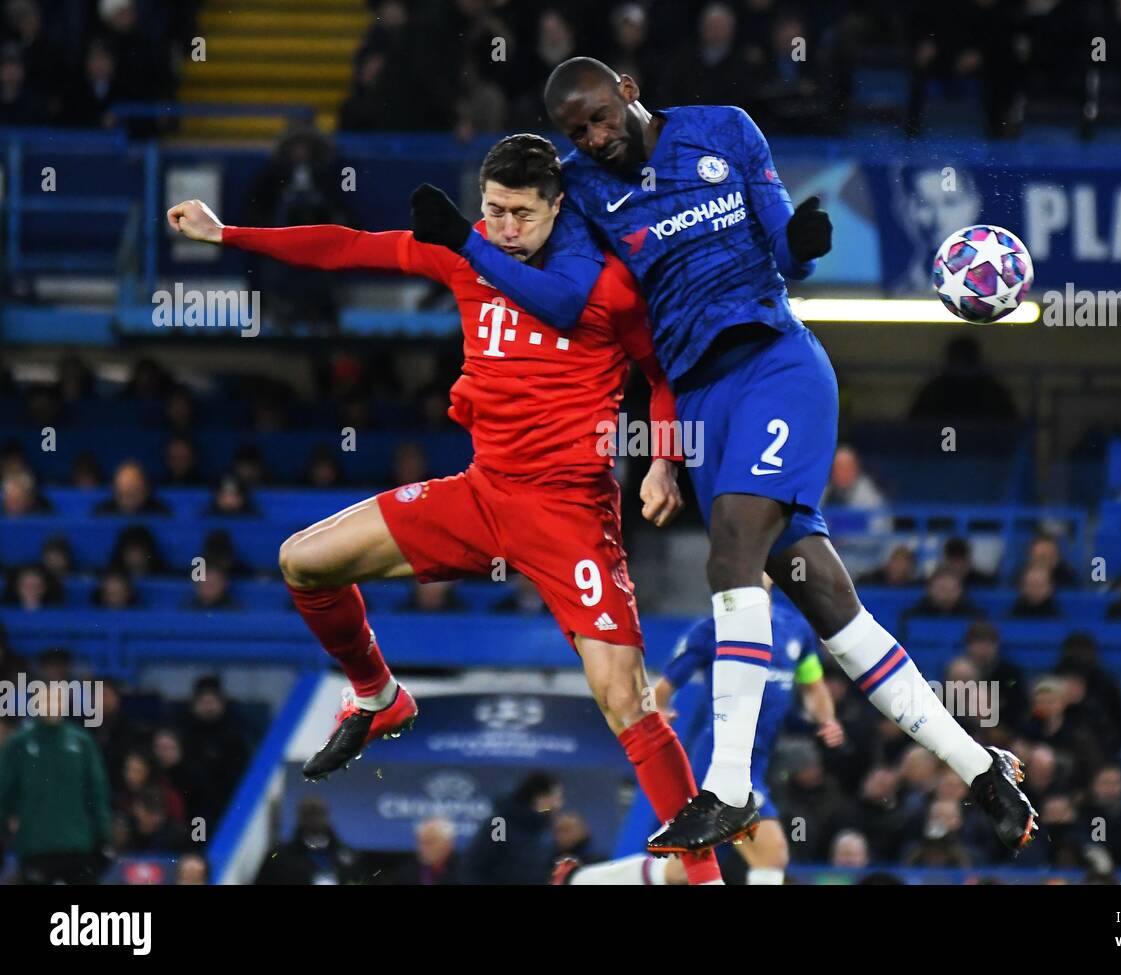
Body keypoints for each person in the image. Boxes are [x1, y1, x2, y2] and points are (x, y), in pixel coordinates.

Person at [404, 54, 1037, 855]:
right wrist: (467, 243)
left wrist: (804, 246)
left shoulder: (723, 130)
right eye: (577, 130)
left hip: (775, 363)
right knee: (830, 607)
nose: (595, 138)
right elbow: (565, 301)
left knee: (733, 551)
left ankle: (729, 787)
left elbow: (785, 247)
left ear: (630, 90)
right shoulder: (581, 190)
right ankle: (980, 766)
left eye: (601, 116)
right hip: (703, 397)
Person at [167, 133, 723, 885]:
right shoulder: (462, 251)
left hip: (569, 512)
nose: (503, 227)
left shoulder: (607, 284)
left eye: (521, 213)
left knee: (624, 695)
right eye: (492, 209)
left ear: (558, 207)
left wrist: (664, 457)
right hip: (482, 490)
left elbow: (661, 373)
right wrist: (227, 232)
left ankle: (704, 876)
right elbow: (346, 248)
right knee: (303, 559)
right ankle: (377, 693)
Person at [556, 578, 844, 885]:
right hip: (716, 764)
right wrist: (660, 709)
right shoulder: (712, 630)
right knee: (771, 855)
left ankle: (580, 880)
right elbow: (664, 687)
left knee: (685, 870)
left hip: (756, 765)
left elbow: (813, 687)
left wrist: (827, 719)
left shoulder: (795, 629)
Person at [0, 682, 112, 884]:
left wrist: (103, 834)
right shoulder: (18, 743)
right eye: (46, 699)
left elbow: (97, 791)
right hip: (35, 845)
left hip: (78, 845)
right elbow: (4, 792)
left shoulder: (82, 741)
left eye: (57, 699)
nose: (52, 705)